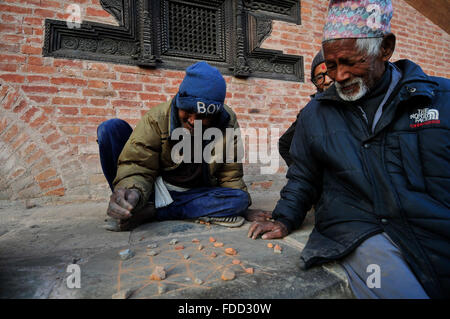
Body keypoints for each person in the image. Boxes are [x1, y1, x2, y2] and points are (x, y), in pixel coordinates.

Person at [248, 0, 450, 299]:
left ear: (385, 48)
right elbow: (304, 174)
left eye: (350, 62)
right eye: (331, 65)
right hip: (361, 230)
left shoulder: (439, 100)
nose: (338, 76)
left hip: (433, 229)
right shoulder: (316, 113)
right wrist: (285, 217)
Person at [97, 61, 251, 231]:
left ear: (215, 115)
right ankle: (139, 207)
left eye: (202, 116)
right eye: (187, 111)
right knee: (110, 129)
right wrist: (133, 192)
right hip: (155, 190)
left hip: (194, 193)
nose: (193, 121)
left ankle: (154, 212)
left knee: (240, 199)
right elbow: (138, 165)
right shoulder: (157, 118)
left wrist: (243, 208)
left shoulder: (227, 122)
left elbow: (230, 173)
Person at [279, 50, 334, 166]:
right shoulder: (310, 112)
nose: (327, 81)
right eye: (319, 77)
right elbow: (284, 144)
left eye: (330, 72)